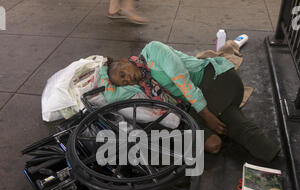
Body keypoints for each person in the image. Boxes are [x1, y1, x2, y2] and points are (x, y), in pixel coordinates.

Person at [99, 41, 280, 163]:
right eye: (124, 82)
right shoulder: (141, 84)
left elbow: (182, 80)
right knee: (213, 144)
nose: (128, 79)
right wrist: (102, 70)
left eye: (123, 73)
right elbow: (112, 97)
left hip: (215, 80)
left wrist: (206, 114)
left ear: (124, 61)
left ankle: (275, 156)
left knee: (234, 124)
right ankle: (225, 120)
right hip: (196, 102)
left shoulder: (153, 50)